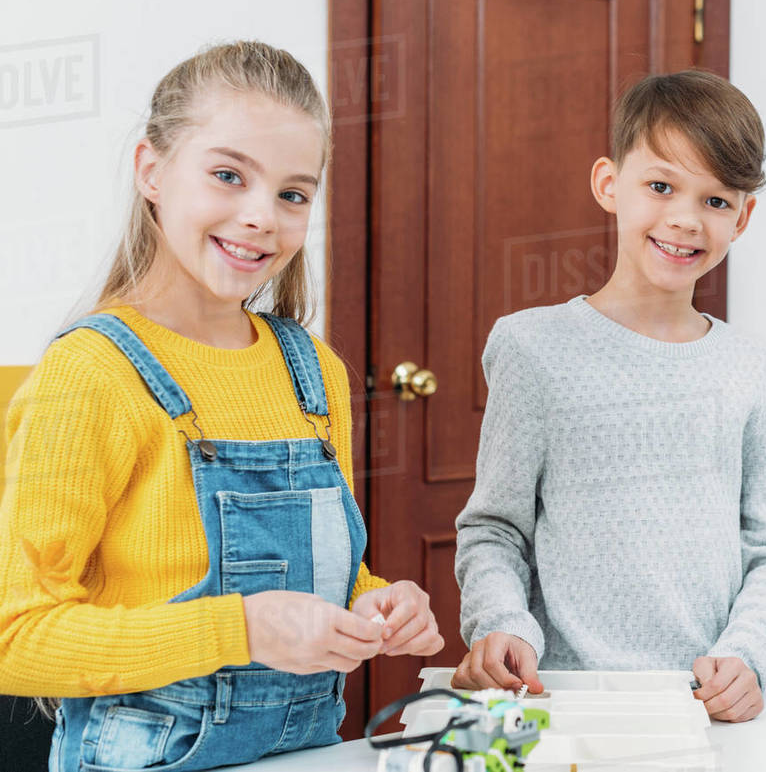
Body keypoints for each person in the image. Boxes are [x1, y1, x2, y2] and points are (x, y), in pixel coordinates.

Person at [0, 41, 442, 771]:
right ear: (152, 170)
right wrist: (239, 628)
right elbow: (16, 638)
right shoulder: (90, 374)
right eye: (228, 175)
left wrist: (377, 600)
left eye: (293, 194)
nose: (261, 216)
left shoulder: (315, 372)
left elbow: (323, 572)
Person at [451, 70, 766, 723]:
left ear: (745, 216)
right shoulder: (531, 347)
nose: (684, 218)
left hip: (706, 711)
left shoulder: (752, 368)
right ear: (608, 184)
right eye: (661, 185)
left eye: (716, 200)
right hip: (564, 704)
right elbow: (495, 529)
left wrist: (749, 655)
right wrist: (501, 622)